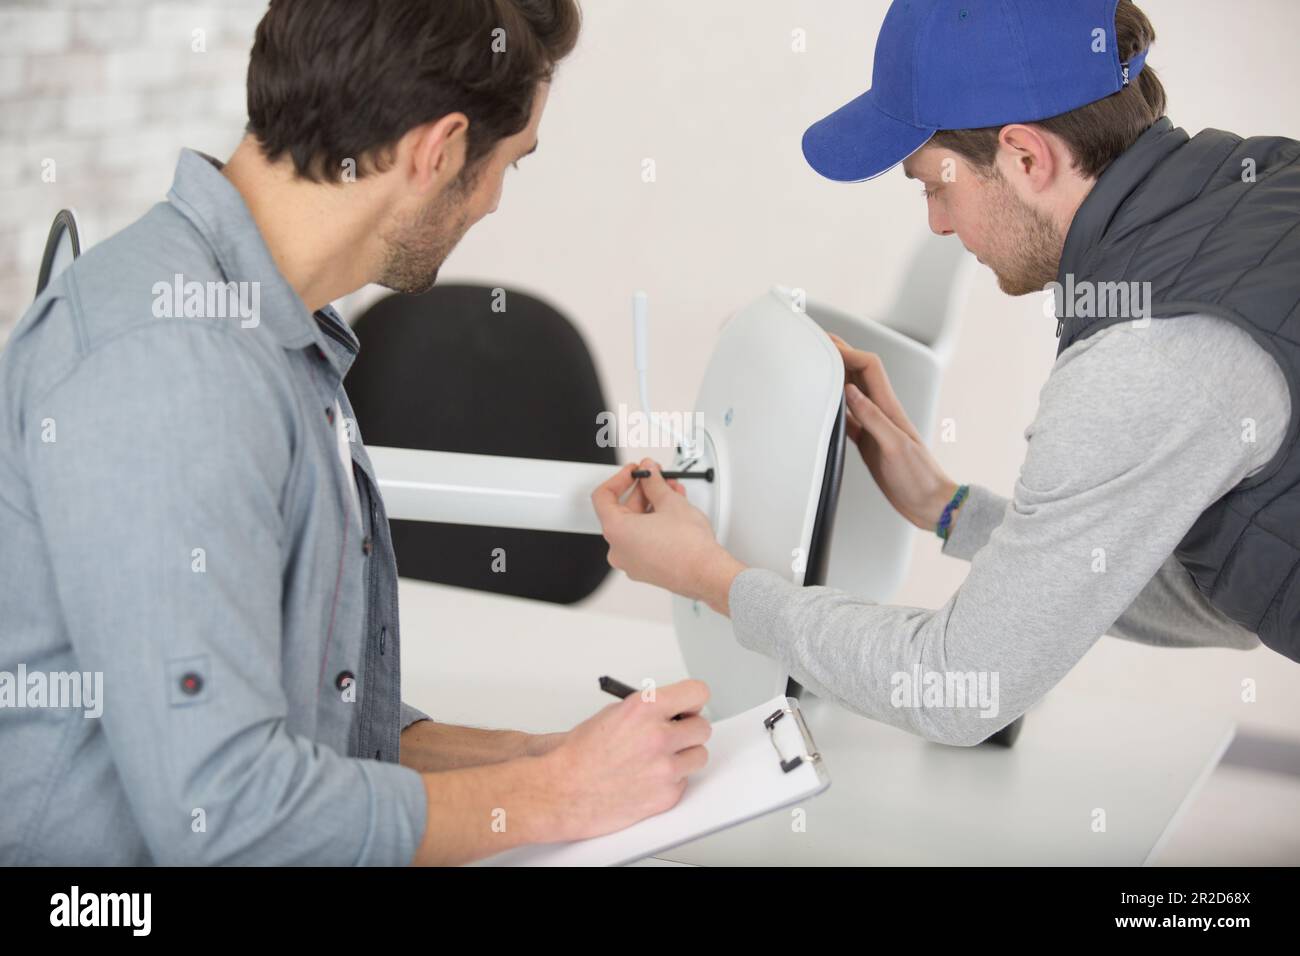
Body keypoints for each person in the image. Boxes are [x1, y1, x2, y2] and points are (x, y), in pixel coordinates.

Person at [0, 0, 711, 866]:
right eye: (507, 166)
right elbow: (231, 818)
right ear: (437, 151)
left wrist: (547, 758)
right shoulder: (171, 369)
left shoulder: (274, 331)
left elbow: (310, 728)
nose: (491, 202)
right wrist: (555, 797)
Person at [593, 0, 1298, 746]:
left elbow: (958, 688)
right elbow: (1227, 598)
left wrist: (710, 577)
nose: (935, 220)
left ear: (1027, 157)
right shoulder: (1268, 182)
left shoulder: (1146, 355)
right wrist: (948, 508)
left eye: (934, 183)